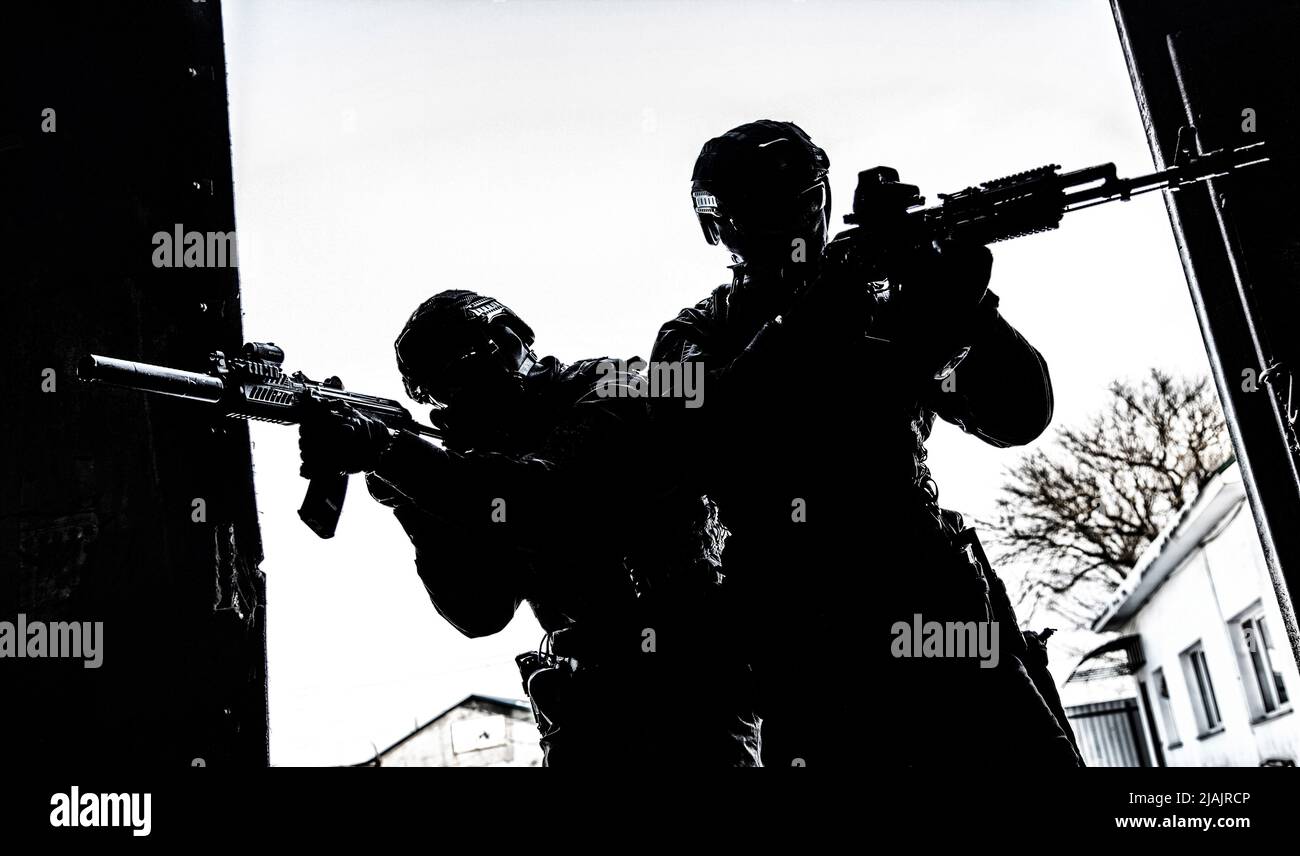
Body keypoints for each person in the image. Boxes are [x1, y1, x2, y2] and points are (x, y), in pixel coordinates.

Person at [651, 120, 1082, 767]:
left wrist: (968, 314)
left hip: (927, 592)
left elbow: (1018, 414)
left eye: (802, 201)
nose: (793, 225)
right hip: (808, 628)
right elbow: (710, 434)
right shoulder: (693, 336)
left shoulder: (877, 304)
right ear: (720, 225)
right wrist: (817, 314)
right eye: (764, 210)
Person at [297, 289, 760, 766]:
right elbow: (479, 609)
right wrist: (411, 506)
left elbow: (546, 499)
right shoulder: (492, 465)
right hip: (588, 706)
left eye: (458, 381)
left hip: (686, 691)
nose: (451, 406)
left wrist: (393, 454)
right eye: (436, 393)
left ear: (510, 345)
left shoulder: (618, 386)